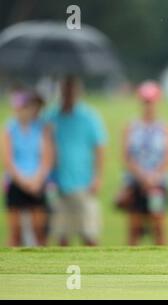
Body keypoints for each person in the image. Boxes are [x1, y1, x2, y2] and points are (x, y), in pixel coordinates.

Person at [45, 76, 106, 246]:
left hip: (83, 181)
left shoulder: (89, 117)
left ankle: (94, 270)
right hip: (57, 181)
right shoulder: (50, 117)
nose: (68, 95)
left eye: (72, 91)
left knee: (89, 233)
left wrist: (98, 177)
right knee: (62, 234)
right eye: (65, 91)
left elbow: (99, 148)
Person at [118, 81, 168, 245]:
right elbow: (126, 156)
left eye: (151, 101)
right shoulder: (131, 126)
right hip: (135, 183)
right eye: (145, 101)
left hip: (158, 183)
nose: (148, 105)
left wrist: (154, 177)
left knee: (159, 227)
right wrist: (142, 176)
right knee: (134, 228)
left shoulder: (165, 127)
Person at [1, 90, 52, 246]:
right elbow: (8, 160)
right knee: (15, 232)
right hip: (16, 182)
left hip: (37, 181)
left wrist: (37, 180)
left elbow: (46, 159)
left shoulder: (41, 128)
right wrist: (23, 182)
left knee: (39, 230)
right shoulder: (9, 129)